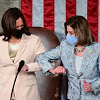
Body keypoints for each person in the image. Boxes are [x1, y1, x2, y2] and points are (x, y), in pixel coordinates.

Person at [36, 15, 100, 100]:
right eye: (67, 32)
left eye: (71, 33)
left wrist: (93, 87)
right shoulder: (65, 46)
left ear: (82, 33)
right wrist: (53, 70)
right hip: (72, 97)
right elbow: (41, 57)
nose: (67, 36)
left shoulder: (97, 49)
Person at [0, 7, 45, 100]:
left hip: (27, 92)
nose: (20, 29)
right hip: (4, 91)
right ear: (8, 26)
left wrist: (29, 67)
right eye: (16, 27)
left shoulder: (34, 40)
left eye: (22, 26)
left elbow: (48, 62)